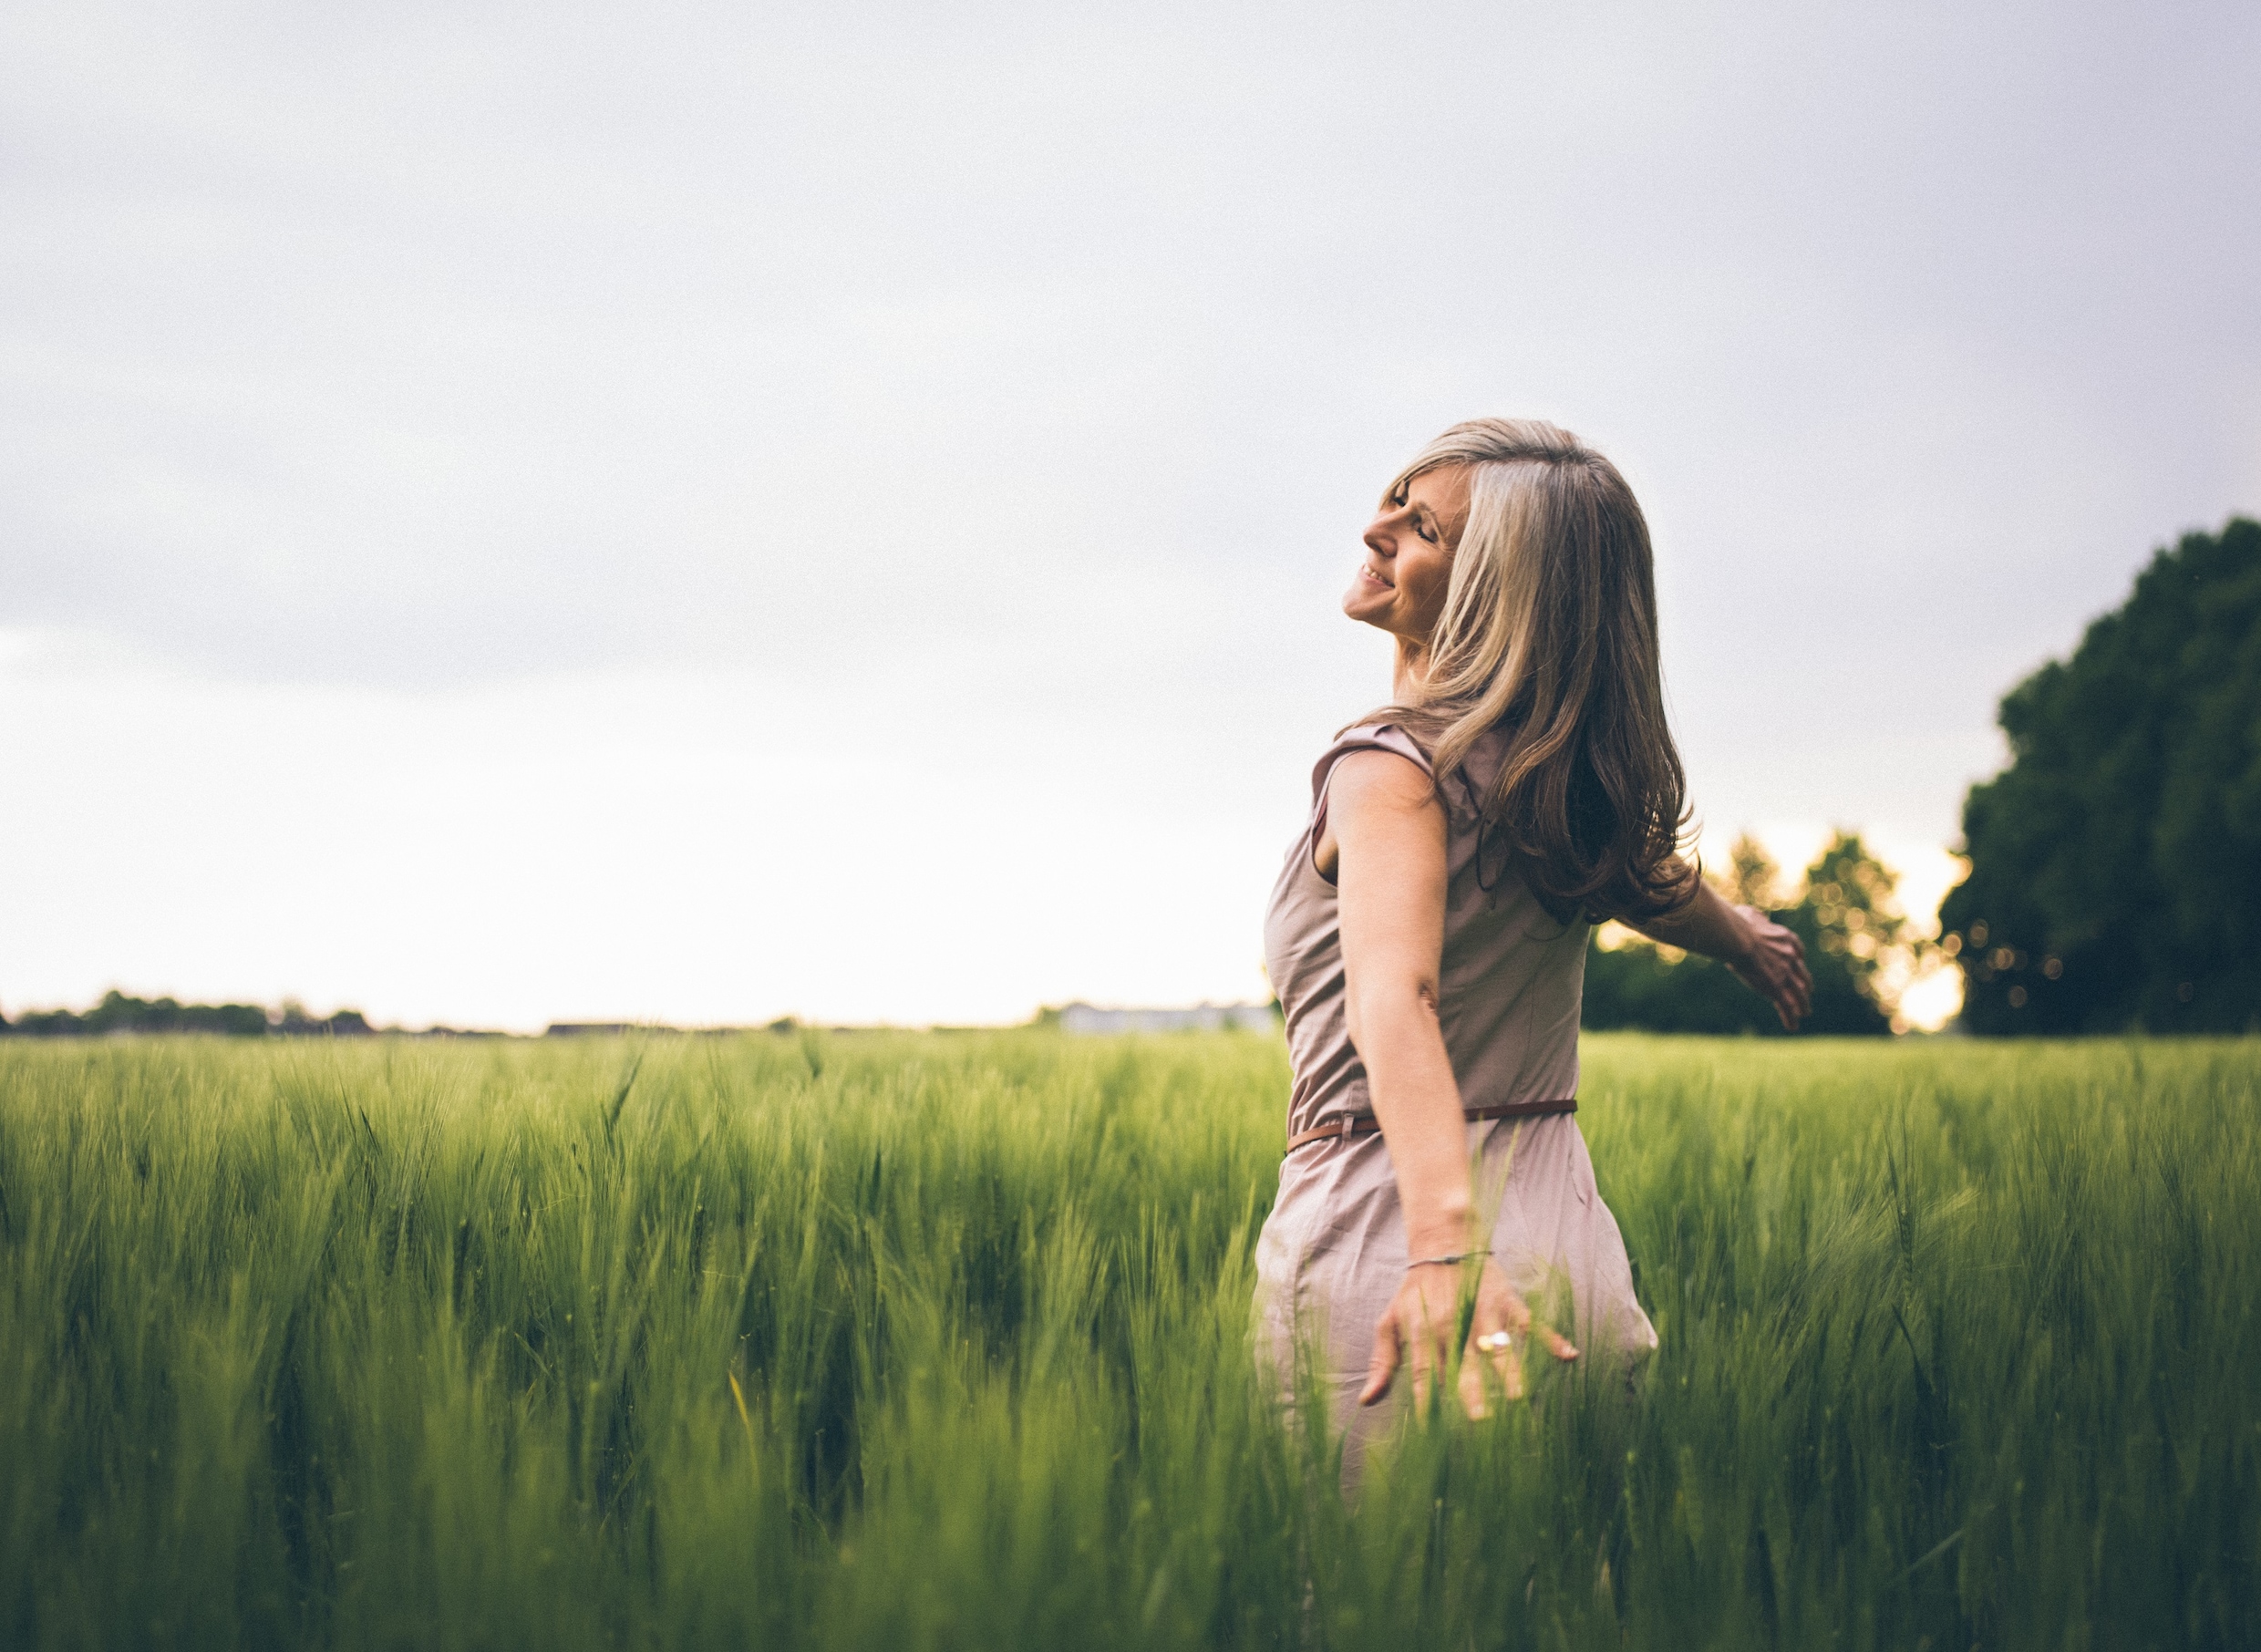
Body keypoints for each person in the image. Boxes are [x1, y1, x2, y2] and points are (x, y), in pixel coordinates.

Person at [1254, 418, 1811, 1460]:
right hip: (1565, 1239)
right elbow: (1648, 890)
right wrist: (1739, 937)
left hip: (1397, 1232)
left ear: (1492, 596)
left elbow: (1395, 998)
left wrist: (1443, 1250)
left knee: (1373, 1607)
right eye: (1394, 500)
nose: (1374, 530)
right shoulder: (1554, 787)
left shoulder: (1386, 772)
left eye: (1419, 527)